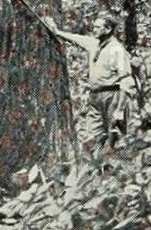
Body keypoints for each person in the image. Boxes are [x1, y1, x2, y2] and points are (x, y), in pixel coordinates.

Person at [41, 12, 138, 155]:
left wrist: (119, 109)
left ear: (108, 29)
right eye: (95, 27)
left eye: (98, 27)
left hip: (113, 96)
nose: (94, 30)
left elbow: (127, 81)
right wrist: (56, 31)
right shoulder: (93, 43)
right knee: (91, 138)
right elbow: (76, 38)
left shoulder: (117, 50)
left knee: (115, 138)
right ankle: (94, 166)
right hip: (95, 96)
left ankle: (114, 169)